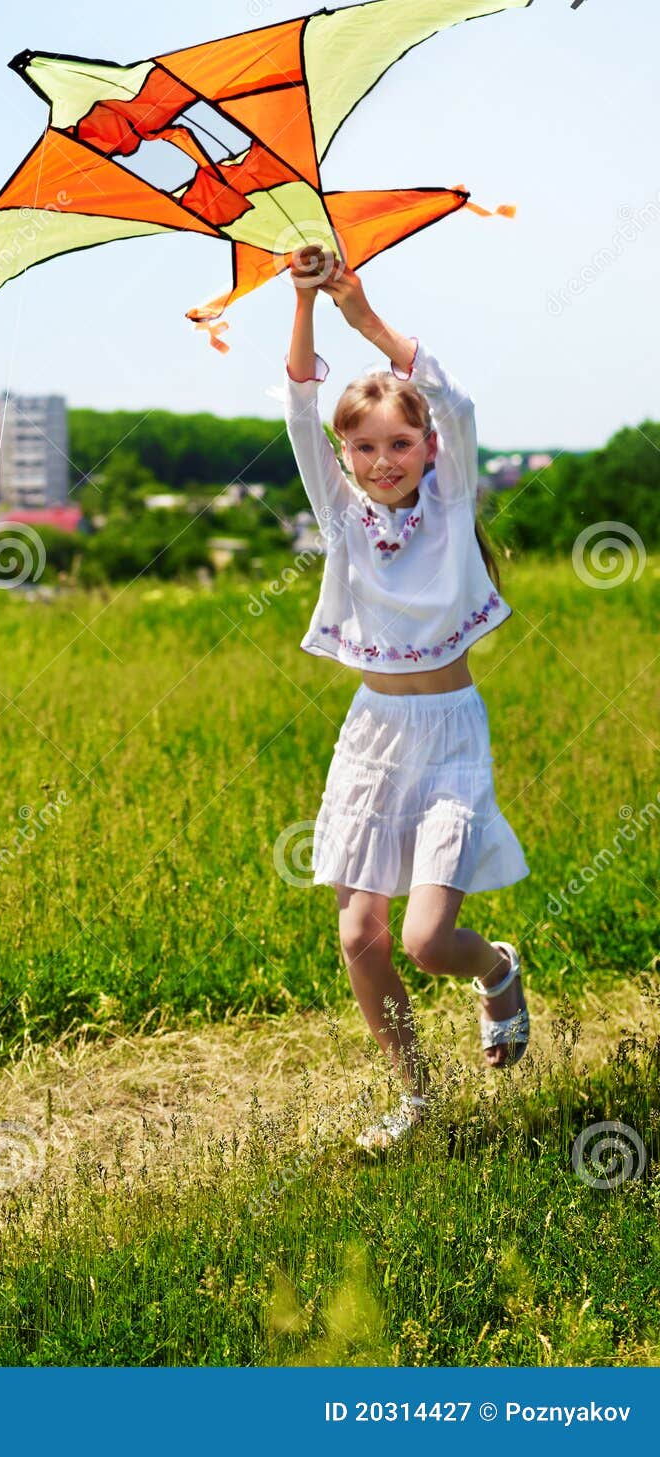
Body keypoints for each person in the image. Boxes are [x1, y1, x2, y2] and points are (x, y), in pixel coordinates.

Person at [283, 247, 529, 1151]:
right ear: (347, 456)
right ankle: (418, 1095)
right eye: (365, 447)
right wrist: (303, 305)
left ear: (426, 448)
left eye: (399, 442)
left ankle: (497, 969)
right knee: (359, 936)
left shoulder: (454, 499)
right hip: (374, 734)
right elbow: (301, 414)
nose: (383, 460)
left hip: (450, 735)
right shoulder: (342, 514)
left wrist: (363, 316)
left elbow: (456, 404)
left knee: (429, 940)